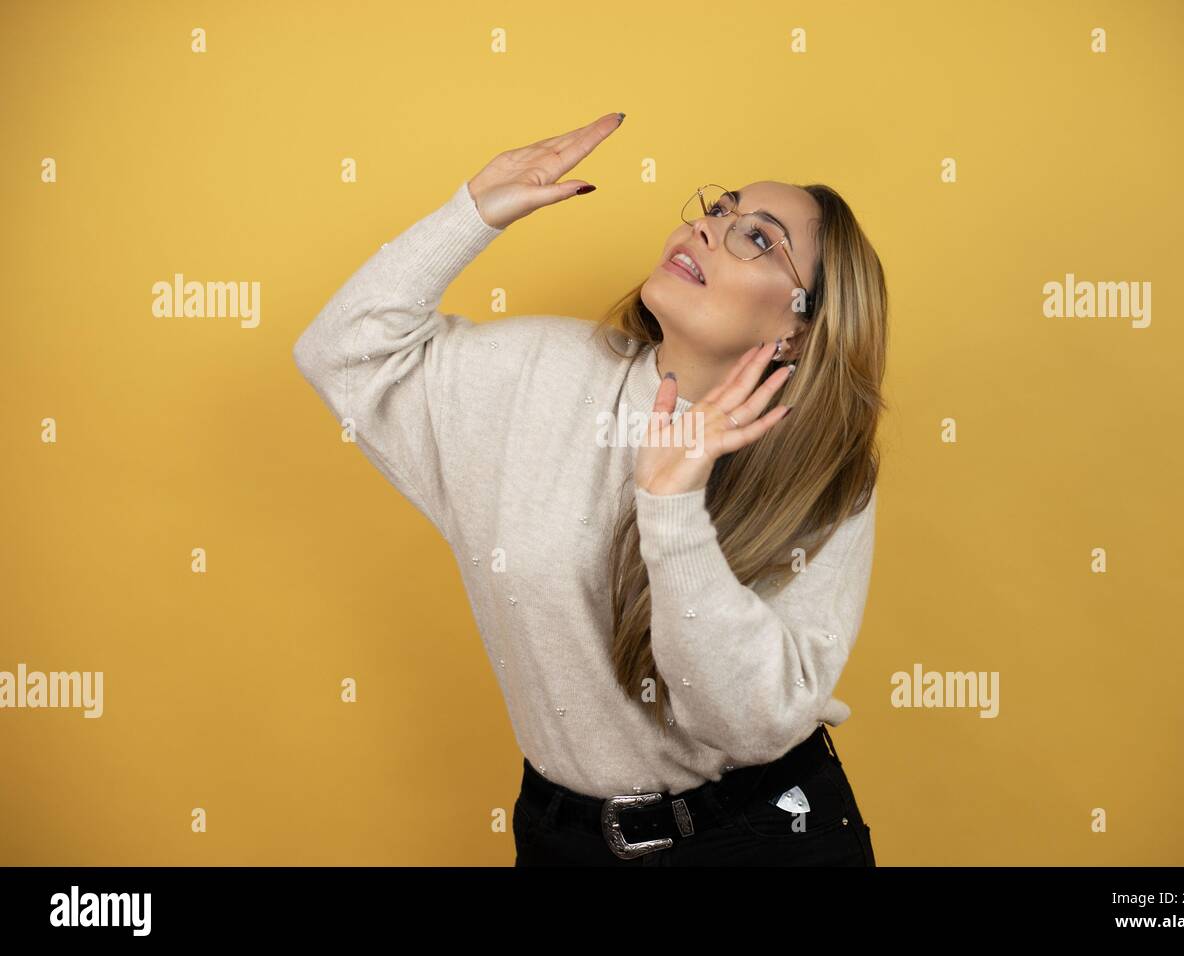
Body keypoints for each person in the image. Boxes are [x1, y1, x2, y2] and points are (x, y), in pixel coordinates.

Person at [293, 111, 889, 866]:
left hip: (762, 837)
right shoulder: (542, 374)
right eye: (719, 209)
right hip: (561, 839)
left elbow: (748, 725)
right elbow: (340, 353)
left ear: (801, 327)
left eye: (760, 237)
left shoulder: (821, 475)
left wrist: (672, 512)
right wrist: (469, 212)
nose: (711, 227)